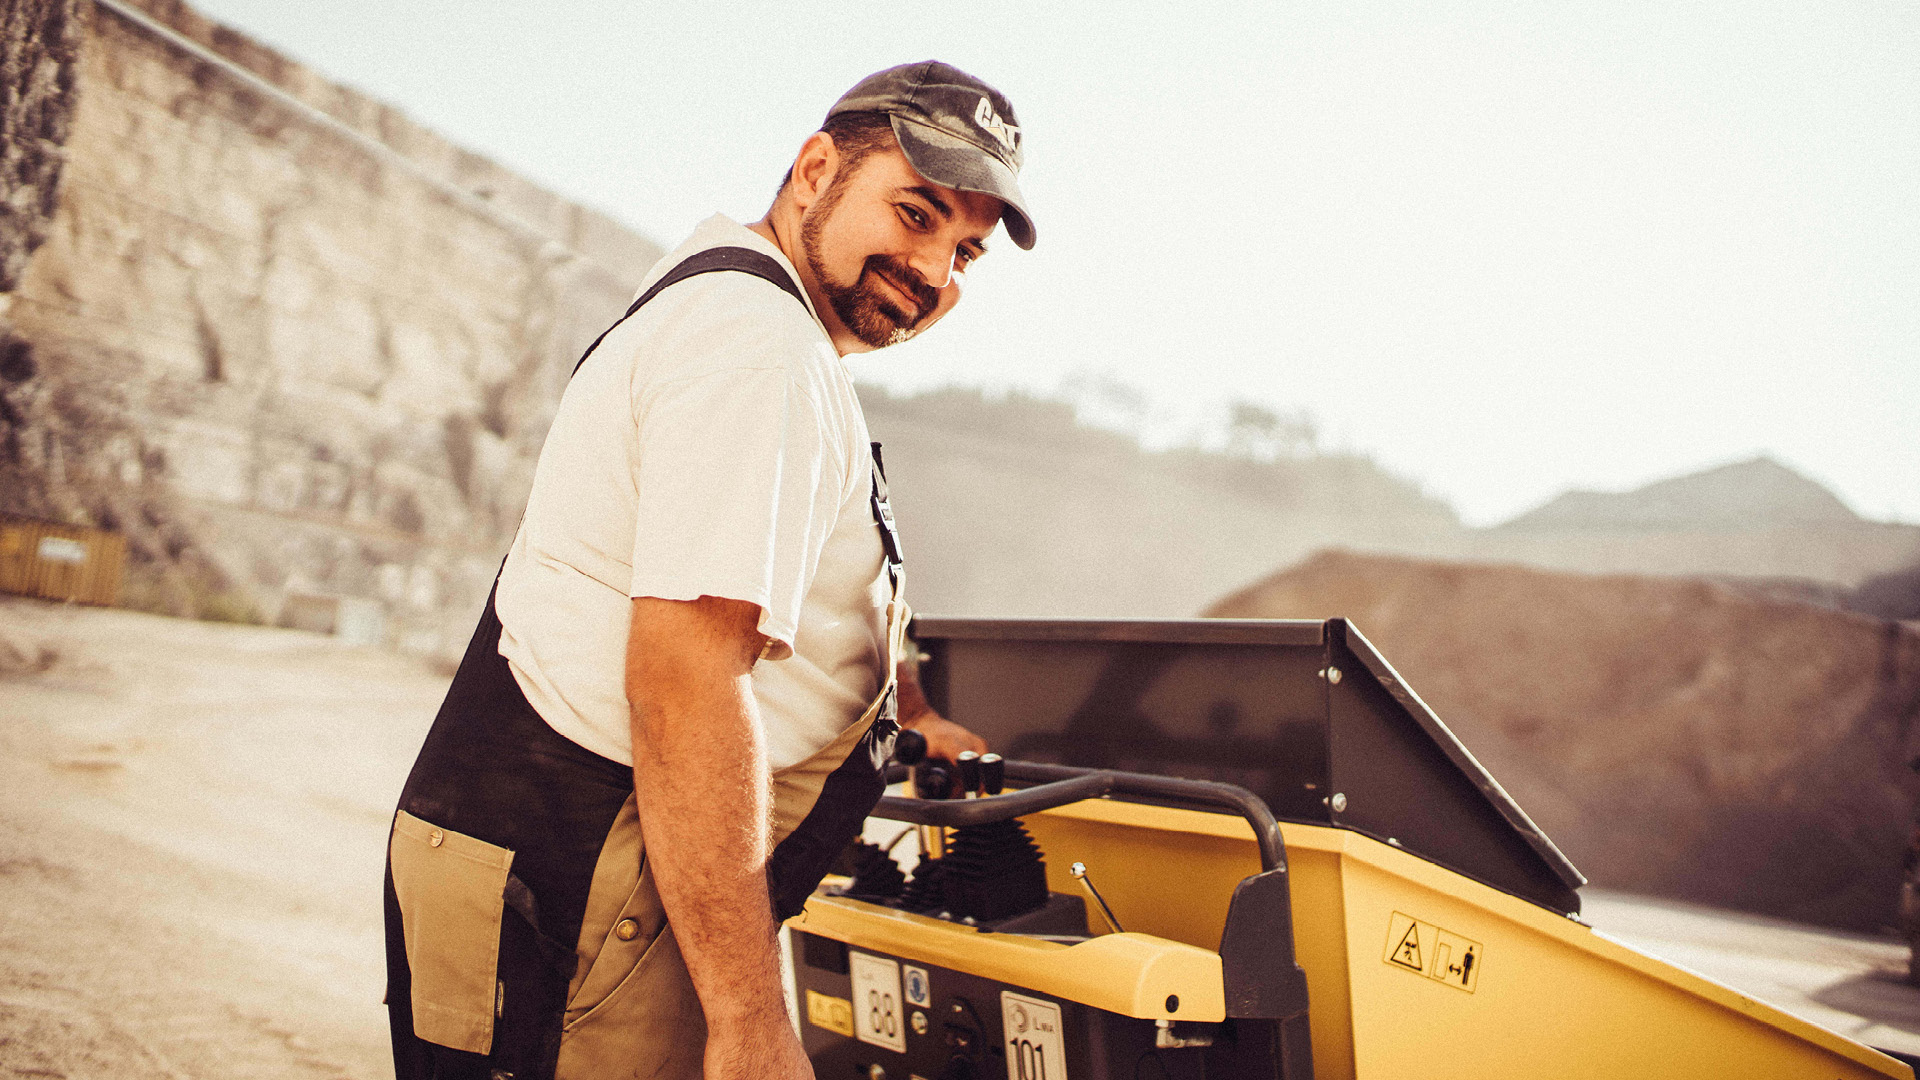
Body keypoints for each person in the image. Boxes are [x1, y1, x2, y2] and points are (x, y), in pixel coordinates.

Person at [383, 60, 1036, 1080]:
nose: (934, 271)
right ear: (816, 170)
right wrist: (750, 1018)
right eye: (914, 214)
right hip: (593, 881)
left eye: (965, 253)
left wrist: (902, 706)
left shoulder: (744, 313)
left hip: (555, 862)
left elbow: (793, 584)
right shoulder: (756, 345)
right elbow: (688, 680)